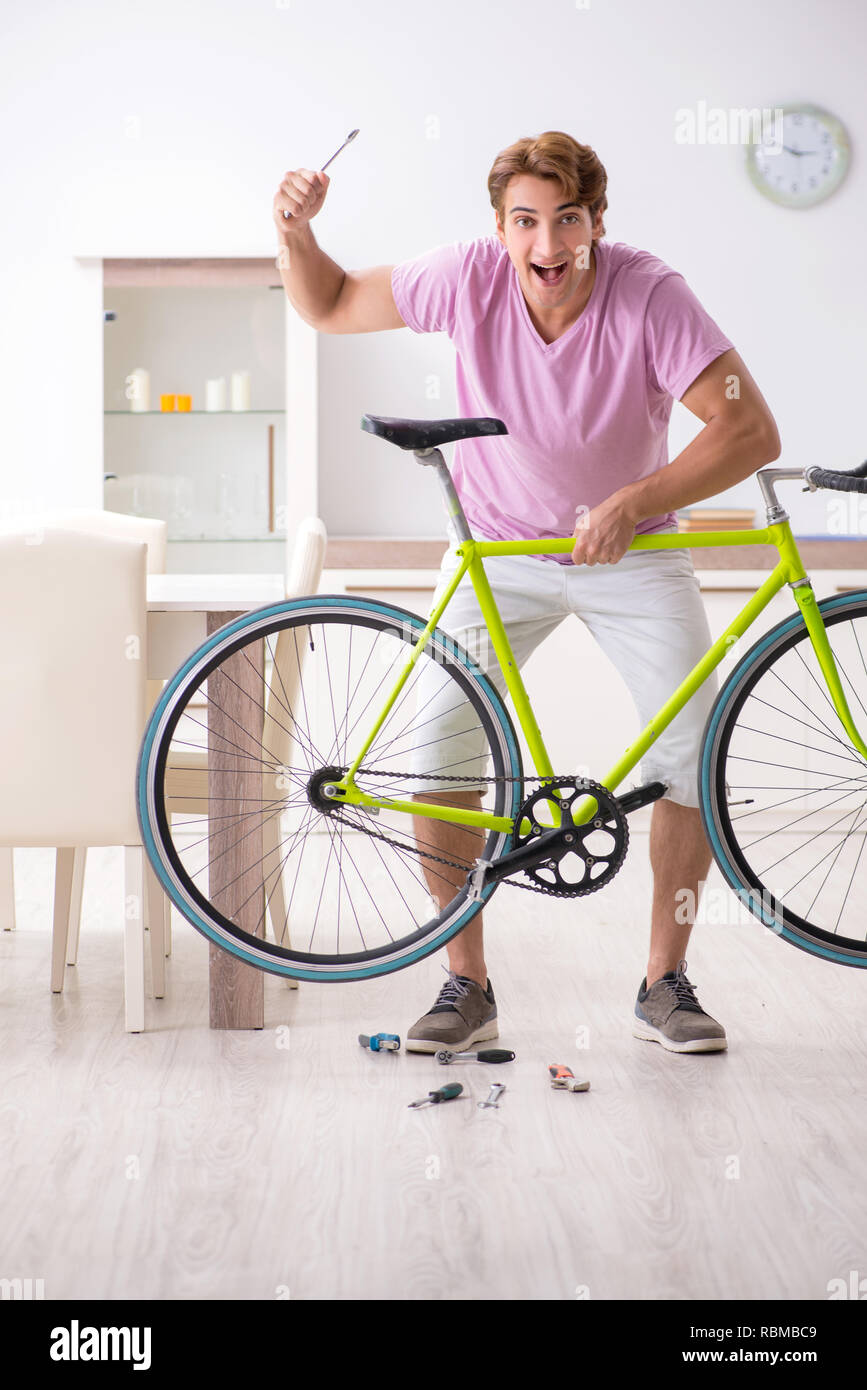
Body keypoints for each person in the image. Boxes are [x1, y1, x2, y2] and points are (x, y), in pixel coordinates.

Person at [273, 130, 781, 1055]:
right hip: (500, 548)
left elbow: (747, 429)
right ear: (499, 227)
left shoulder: (649, 293)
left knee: (692, 750)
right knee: (438, 758)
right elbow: (333, 303)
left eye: (567, 220)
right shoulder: (465, 276)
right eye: (525, 222)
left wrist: (635, 500)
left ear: (596, 222)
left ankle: (663, 981)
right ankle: (464, 983)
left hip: (632, 552)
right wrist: (297, 234)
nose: (547, 245)